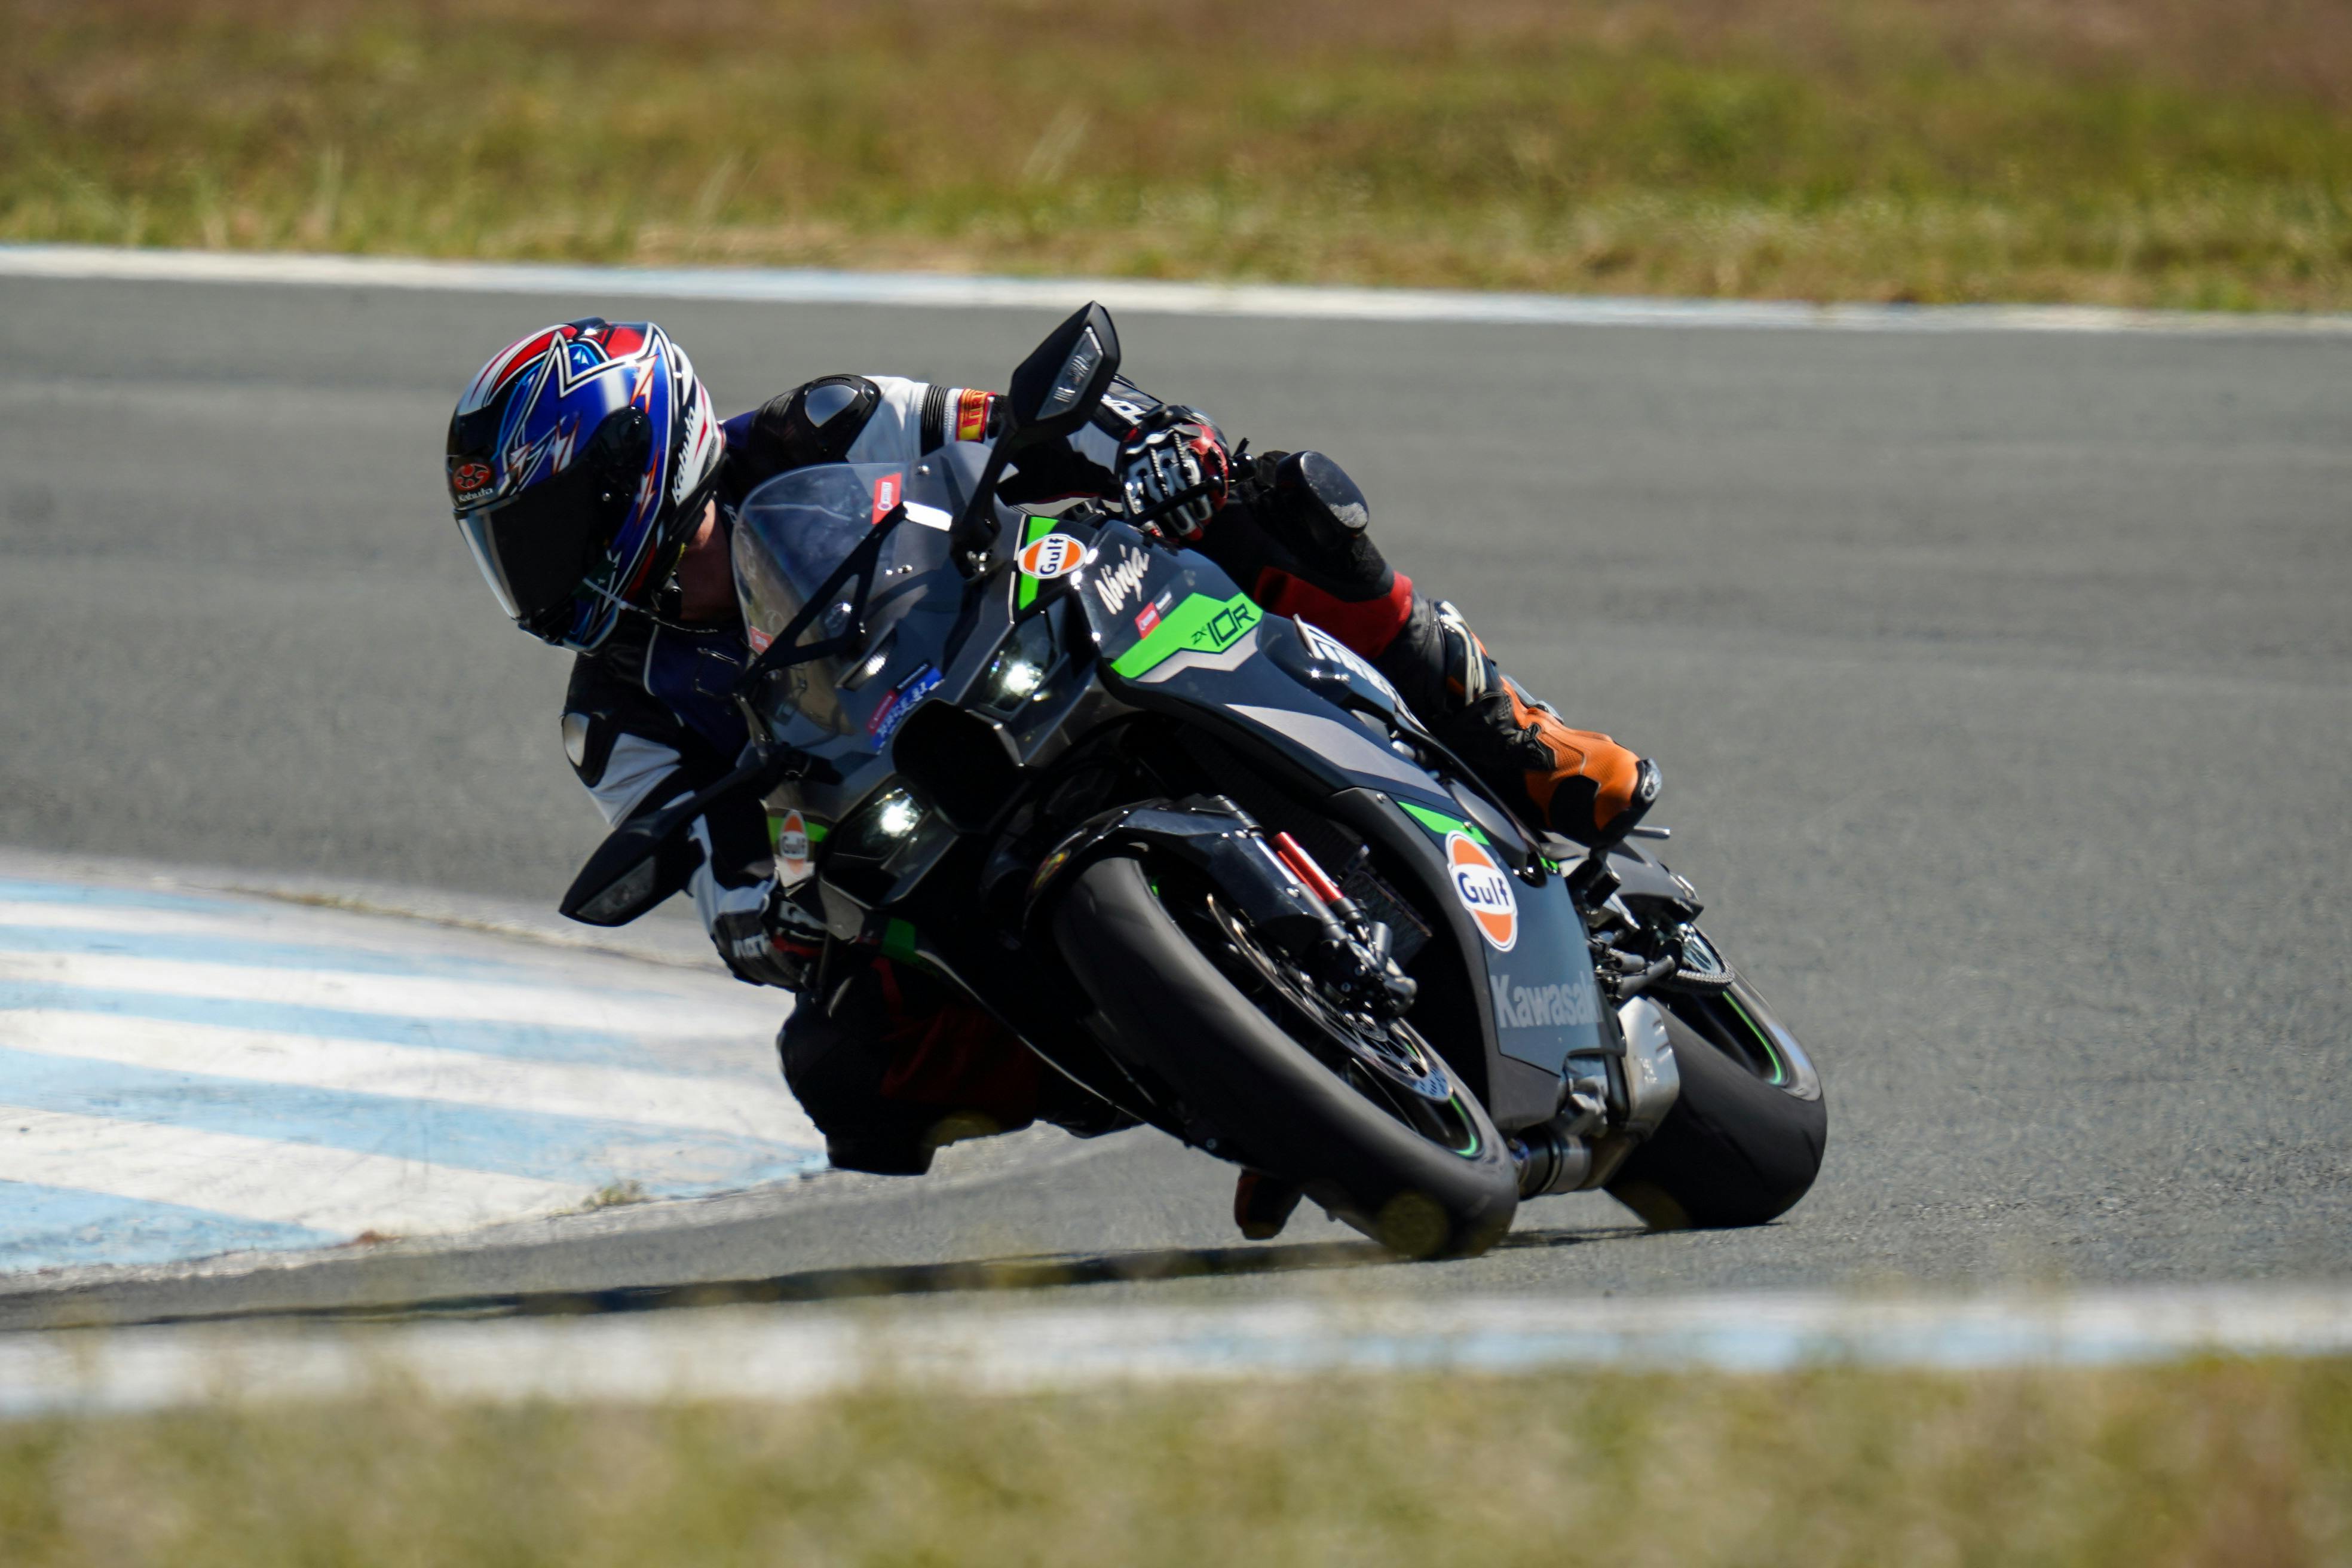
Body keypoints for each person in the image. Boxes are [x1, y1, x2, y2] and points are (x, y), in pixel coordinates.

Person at [446, 317, 1650, 1236]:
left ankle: (1515, 736)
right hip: (905, 829)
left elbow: (1001, 426)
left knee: (1270, 500)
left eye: (548, 529)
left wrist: (1151, 442)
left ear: (636, 465)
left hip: (1034, 640)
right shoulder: (613, 711)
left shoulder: (828, 421)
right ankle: (1248, 1082)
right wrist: (775, 916)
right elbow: (714, 876)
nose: (536, 572)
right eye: (511, 548)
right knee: (842, 1066)